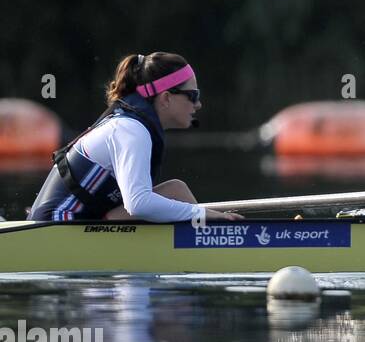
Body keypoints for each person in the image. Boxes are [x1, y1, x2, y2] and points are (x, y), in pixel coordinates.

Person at [29, 53, 243, 222]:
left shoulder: (133, 125)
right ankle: (210, 245)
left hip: (83, 221)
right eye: (193, 95)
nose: (198, 104)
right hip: (58, 227)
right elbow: (138, 204)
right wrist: (203, 214)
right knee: (179, 203)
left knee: (176, 190)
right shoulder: (132, 130)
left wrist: (204, 214)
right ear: (166, 98)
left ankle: (206, 241)